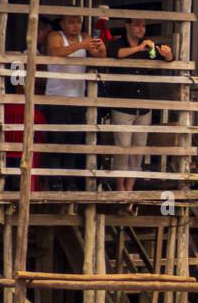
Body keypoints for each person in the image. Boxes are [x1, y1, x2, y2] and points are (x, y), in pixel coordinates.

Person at [104, 18, 173, 192]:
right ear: (127, 26)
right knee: (122, 149)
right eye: (136, 24)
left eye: (143, 25)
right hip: (122, 103)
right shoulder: (118, 43)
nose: (141, 29)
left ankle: (130, 188)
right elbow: (115, 53)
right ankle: (120, 189)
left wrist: (167, 54)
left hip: (143, 105)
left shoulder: (150, 47)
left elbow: (170, 59)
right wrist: (139, 48)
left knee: (138, 151)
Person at [45, 15, 105, 189]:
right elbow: (56, 52)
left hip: (78, 99)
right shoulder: (56, 35)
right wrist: (82, 45)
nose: (75, 26)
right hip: (56, 98)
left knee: (74, 142)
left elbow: (101, 57)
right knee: (57, 142)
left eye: (78, 22)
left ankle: (70, 181)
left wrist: (100, 47)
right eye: (71, 22)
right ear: (62, 23)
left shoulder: (85, 37)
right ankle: (56, 181)